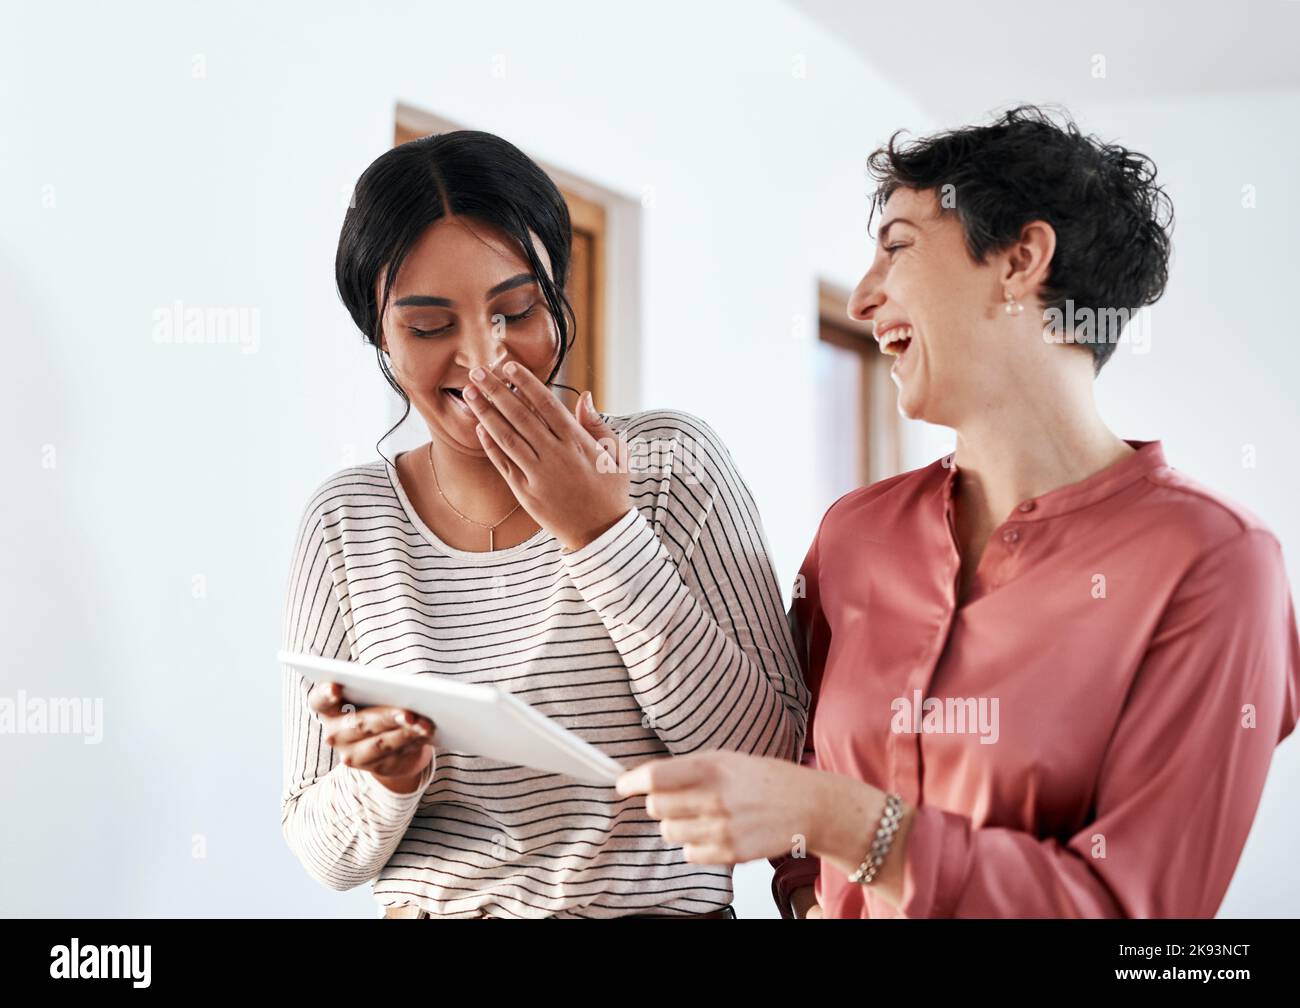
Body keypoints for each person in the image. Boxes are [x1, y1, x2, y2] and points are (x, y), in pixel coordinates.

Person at [618, 105, 1300, 918]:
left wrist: (841, 820)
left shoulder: (1214, 561)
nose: (865, 299)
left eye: (897, 247)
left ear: (1021, 260)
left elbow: (1137, 914)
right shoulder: (854, 536)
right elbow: (795, 784)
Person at [280, 130, 809, 918]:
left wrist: (603, 534)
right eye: (429, 327)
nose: (483, 358)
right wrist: (386, 780)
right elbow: (322, 852)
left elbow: (775, 764)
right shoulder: (347, 522)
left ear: (558, 297)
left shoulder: (671, 466)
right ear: (382, 343)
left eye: (516, 309)